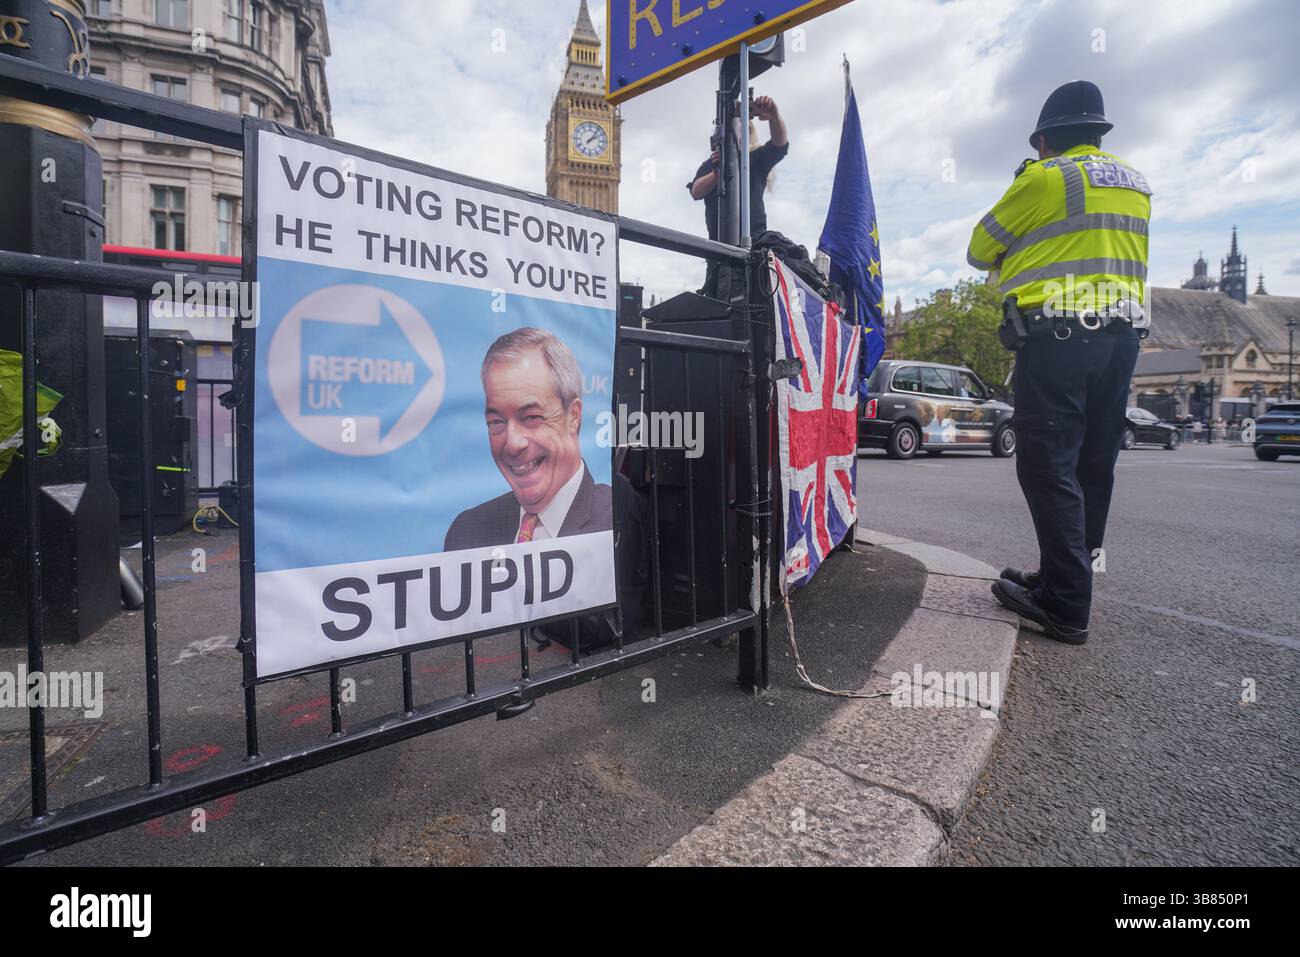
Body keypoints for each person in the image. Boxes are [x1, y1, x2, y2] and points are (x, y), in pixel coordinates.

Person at [966, 80, 1151, 645]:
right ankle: (1064, 579)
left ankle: (1066, 605)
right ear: (1097, 132)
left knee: (1047, 466)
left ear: (1046, 139)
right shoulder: (1137, 184)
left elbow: (979, 248)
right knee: (1092, 467)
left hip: (1060, 338)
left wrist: (1023, 184)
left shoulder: (1045, 178)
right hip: (1120, 342)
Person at [444, 327, 612, 550]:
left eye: (531, 417)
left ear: (573, 416)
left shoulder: (620, 521)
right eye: (496, 422)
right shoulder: (467, 532)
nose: (512, 443)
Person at [688, 96, 788, 293]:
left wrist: (774, 116)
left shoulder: (754, 160)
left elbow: (779, 144)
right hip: (718, 250)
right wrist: (717, 174)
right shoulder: (710, 165)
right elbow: (696, 191)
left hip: (754, 246)